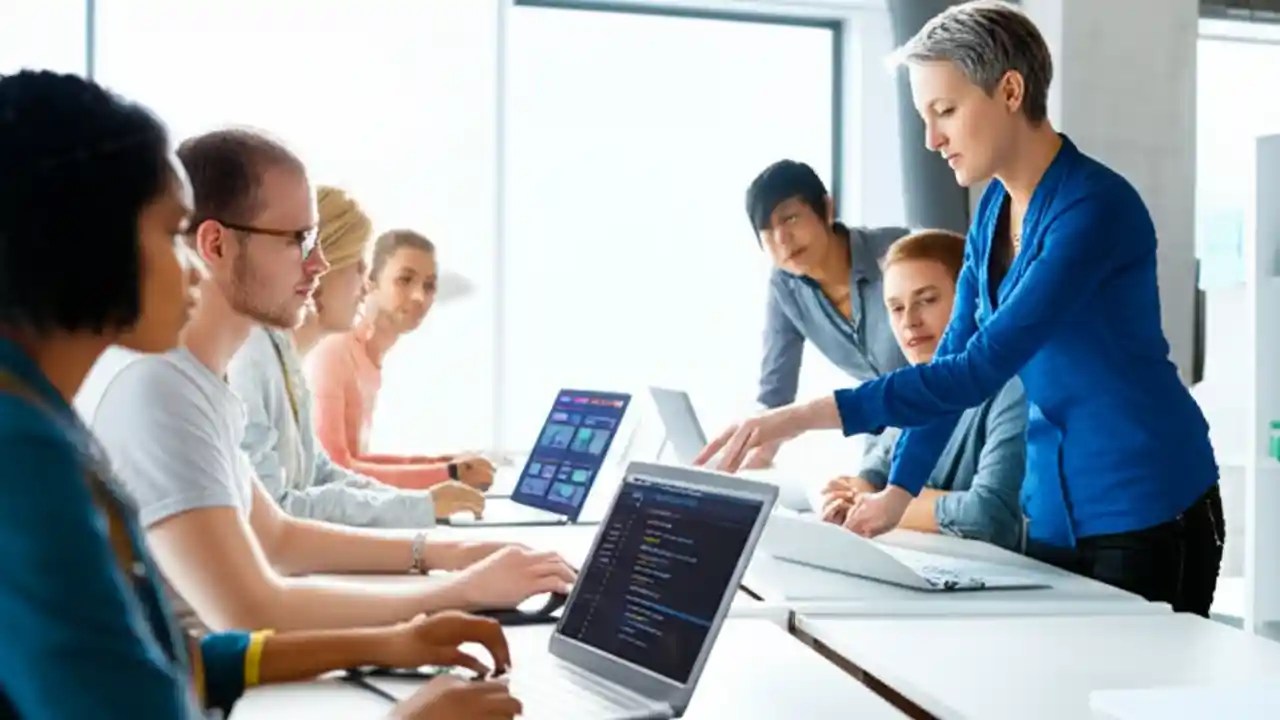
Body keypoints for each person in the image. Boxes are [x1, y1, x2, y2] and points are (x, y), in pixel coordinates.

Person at [0, 70, 521, 719]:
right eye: (172, 233)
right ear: (89, 238)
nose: (193, 264)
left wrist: (392, 640)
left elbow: (174, 659)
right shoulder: (27, 454)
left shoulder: (44, 420)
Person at [697, 0, 1224, 616]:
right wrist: (898, 491)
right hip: (1052, 510)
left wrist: (799, 417)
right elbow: (948, 364)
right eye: (925, 117)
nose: (932, 138)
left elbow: (978, 370)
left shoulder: (1092, 209)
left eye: (945, 111)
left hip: (1146, 503)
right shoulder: (993, 211)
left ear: (1010, 91)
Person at [76, 127, 575, 635]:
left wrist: (451, 552)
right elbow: (251, 612)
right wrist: (461, 592)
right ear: (216, 244)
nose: (319, 265)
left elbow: (277, 538)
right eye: (298, 241)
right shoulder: (157, 388)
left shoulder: (197, 381)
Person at [228, 185, 485, 526]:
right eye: (358, 267)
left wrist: (420, 501)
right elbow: (275, 509)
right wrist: (424, 502)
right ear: (320, 268)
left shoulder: (286, 359)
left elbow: (322, 473)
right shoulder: (253, 356)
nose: (366, 285)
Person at [820, 229, 1027, 551]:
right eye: (896, 308)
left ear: (972, 300)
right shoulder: (910, 385)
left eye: (927, 300)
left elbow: (988, 516)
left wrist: (886, 504)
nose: (910, 322)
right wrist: (859, 490)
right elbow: (878, 467)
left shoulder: (1013, 388)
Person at [743, 159, 911, 472]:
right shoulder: (785, 286)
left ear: (827, 209)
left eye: (790, 218)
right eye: (767, 230)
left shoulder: (900, 253)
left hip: (949, 422)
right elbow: (775, 394)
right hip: (884, 442)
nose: (782, 239)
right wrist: (748, 460)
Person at [305, 228, 494, 491]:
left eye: (429, 286)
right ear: (370, 282)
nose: (419, 297)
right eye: (405, 280)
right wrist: (448, 474)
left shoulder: (366, 358)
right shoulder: (334, 351)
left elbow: (356, 459)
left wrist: (445, 464)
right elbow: (335, 469)